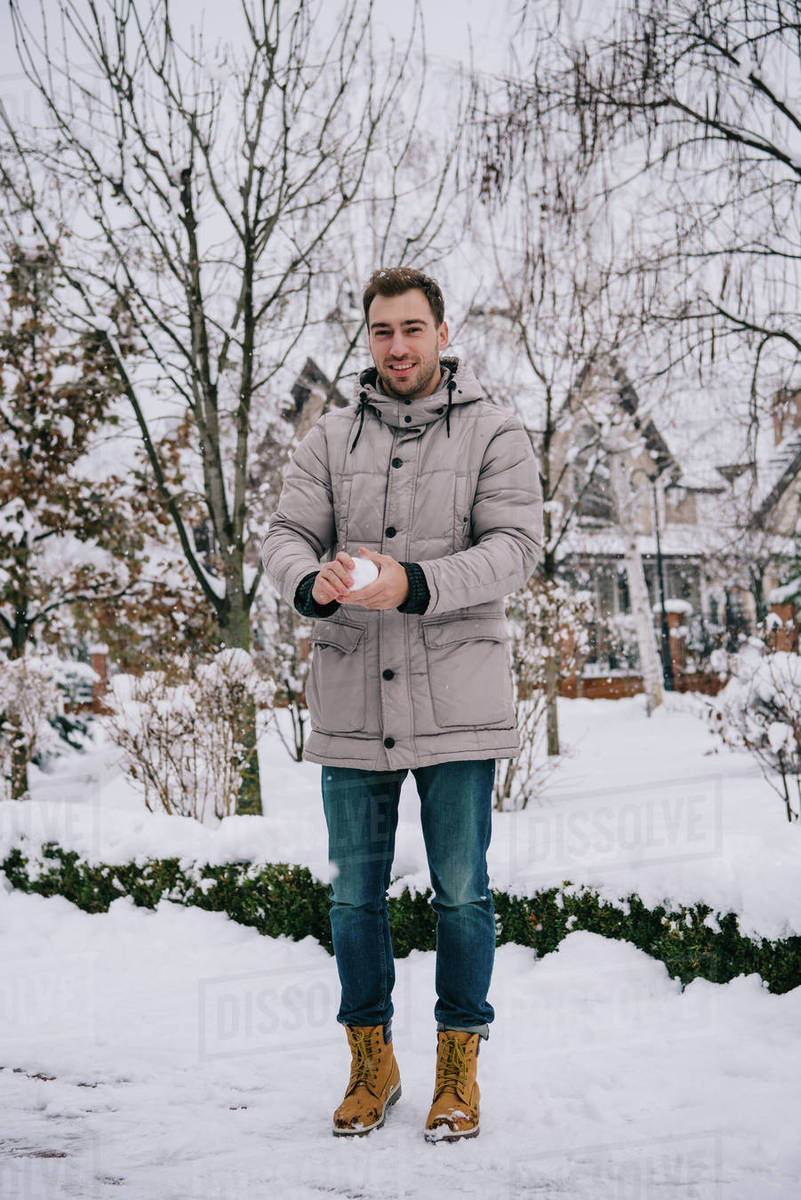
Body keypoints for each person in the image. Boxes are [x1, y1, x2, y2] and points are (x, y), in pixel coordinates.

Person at [261, 267, 542, 1141]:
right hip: (351, 701)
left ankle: (457, 1067)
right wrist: (313, 582)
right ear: (368, 338)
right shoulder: (327, 438)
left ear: (441, 332)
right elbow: (283, 537)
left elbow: (515, 547)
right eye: (382, 331)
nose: (397, 346)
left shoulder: (495, 431)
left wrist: (413, 583)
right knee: (353, 897)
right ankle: (370, 1061)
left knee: (461, 891)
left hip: (456, 699)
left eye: (412, 329)